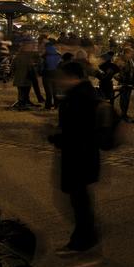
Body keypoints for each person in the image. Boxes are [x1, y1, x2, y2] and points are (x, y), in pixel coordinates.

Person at [50, 61, 102, 253]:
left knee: (80, 201)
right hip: (82, 155)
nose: (59, 80)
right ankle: (84, 236)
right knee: (80, 200)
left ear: (71, 76)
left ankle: (84, 240)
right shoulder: (82, 94)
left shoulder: (80, 97)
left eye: (61, 76)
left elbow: (77, 131)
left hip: (79, 156)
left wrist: (55, 137)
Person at [11, 41, 39, 110]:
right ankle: (22, 104)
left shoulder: (17, 57)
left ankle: (24, 102)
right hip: (26, 77)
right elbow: (30, 67)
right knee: (24, 91)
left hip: (20, 77)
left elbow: (13, 67)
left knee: (22, 91)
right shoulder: (27, 57)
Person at [40, 41, 62, 109]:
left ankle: (48, 105)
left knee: (48, 92)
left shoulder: (44, 56)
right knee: (56, 90)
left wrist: (41, 72)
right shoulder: (59, 55)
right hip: (56, 75)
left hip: (47, 75)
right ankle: (57, 105)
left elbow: (41, 66)